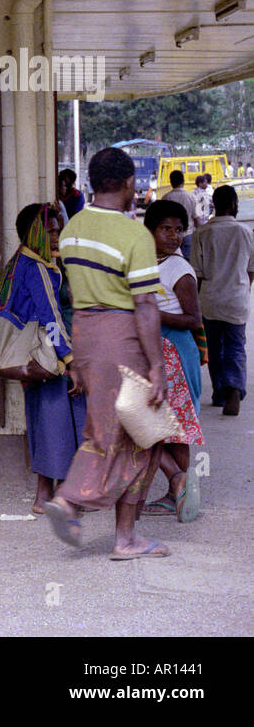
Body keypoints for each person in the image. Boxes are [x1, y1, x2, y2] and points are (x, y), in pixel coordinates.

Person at [45, 146, 169, 560]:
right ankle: (75, 502)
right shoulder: (134, 234)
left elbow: (74, 296)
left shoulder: (73, 228)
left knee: (111, 428)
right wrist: (156, 365)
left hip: (85, 334)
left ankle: (121, 533)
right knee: (137, 430)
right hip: (122, 337)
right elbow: (147, 305)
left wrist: (77, 360)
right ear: (130, 184)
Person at [0, 203, 85, 514]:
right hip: (49, 356)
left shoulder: (20, 262)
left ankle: (46, 494)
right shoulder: (40, 267)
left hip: (32, 357)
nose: (57, 236)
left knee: (44, 423)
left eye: (58, 230)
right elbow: (51, 318)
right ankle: (59, 496)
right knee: (58, 423)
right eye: (51, 230)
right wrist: (69, 359)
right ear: (35, 233)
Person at [142, 200, 205, 522]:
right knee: (154, 425)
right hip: (153, 348)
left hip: (176, 352)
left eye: (179, 230)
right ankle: (177, 487)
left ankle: (177, 492)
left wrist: (153, 313)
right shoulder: (145, 262)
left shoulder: (179, 270)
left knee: (176, 428)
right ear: (150, 230)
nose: (174, 236)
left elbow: (194, 319)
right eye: (166, 228)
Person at [192, 184, 254, 417]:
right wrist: (244, 289)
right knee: (236, 346)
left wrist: (197, 303)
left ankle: (219, 392)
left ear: (214, 205)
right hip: (236, 298)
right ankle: (234, 389)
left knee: (215, 348)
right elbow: (251, 269)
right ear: (234, 204)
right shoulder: (245, 232)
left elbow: (196, 272)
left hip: (210, 298)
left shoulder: (202, 233)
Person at [161, 170, 199, 260]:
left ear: (171, 182)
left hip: (170, 236)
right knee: (188, 262)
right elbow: (196, 218)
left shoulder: (166, 198)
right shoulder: (191, 197)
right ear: (183, 182)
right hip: (187, 235)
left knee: (172, 261)